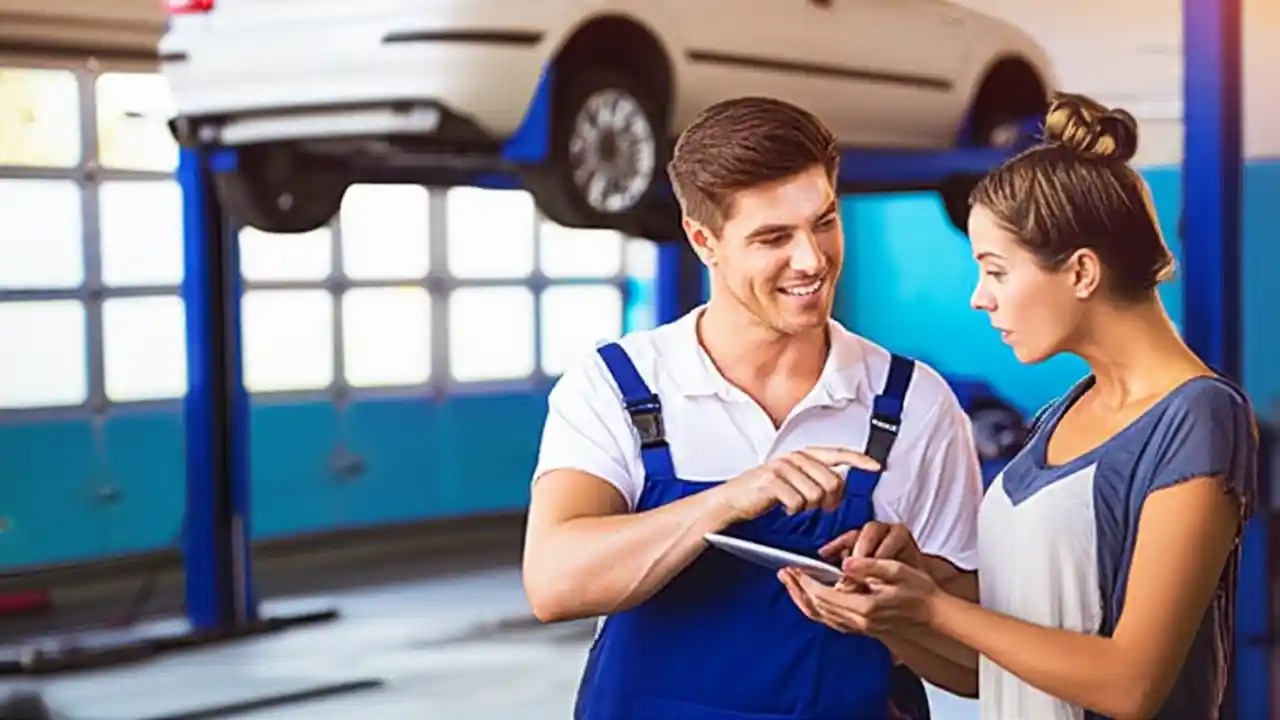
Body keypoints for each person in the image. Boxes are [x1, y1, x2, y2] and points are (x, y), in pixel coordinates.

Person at [777, 92, 1260, 720]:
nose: (980, 298)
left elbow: (1130, 685)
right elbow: (997, 668)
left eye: (996, 271)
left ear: (1082, 272)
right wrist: (904, 596)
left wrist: (934, 607)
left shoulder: (1196, 417)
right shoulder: (1061, 414)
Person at [521, 96, 988, 719]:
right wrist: (731, 499)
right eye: (773, 237)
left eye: (824, 221)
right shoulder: (619, 387)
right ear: (703, 240)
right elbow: (555, 583)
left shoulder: (910, 405)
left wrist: (906, 602)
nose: (812, 260)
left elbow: (979, 669)